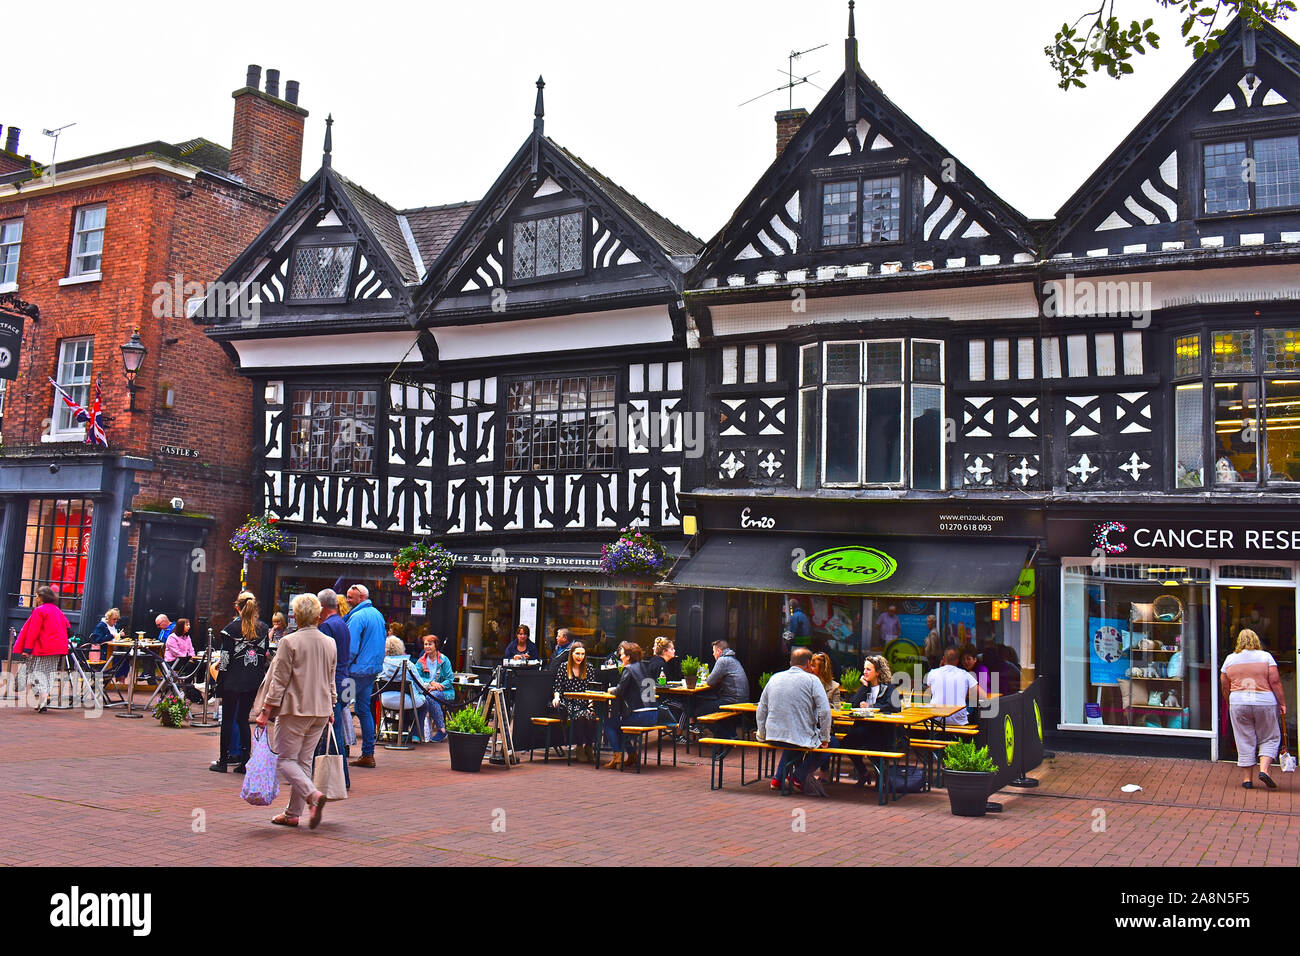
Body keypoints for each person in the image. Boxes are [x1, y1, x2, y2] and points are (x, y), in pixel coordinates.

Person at [253, 592, 337, 829]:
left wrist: (265, 710)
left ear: (296, 615)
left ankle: (312, 795)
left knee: (285, 760)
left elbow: (278, 680)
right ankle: (292, 813)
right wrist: (332, 705)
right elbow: (331, 679)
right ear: (318, 614)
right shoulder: (330, 643)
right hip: (321, 709)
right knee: (304, 761)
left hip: (294, 709)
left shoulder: (288, 642)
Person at [757, 647, 831, 796]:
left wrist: (762, 733)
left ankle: (778, 778)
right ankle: (799, 776)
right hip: (799, 738)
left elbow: (761, 708)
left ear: (790, 662)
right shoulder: (812, 680)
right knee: (832, 743)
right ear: (809, 663)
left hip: (773, 737)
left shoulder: (775, 678)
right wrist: (825, 737)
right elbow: (825, 711)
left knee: (790, 738)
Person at [210, 591, 270, 774]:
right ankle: (245, 761)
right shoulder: (263, 629)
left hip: (232, 681)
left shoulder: (230, 630)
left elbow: (225, 659)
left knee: (227, 720)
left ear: (237, 607)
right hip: (252, 680)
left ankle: (222, 761)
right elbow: (264, 655)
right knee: (243, 719)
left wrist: (220, 681)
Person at [1221, 628, 1287, 789]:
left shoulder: (1230, 660)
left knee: (1244, 738)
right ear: (1257, 640)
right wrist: (1283, 703)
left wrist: (1230, 702)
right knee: (1270, 736)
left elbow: (1224, 684)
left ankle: (1247, 779)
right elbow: (1276, 682)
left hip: (1239, 702)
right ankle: (1264, 770)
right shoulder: (1266, 657)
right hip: (1264, 701)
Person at [838, 655, 900, 787]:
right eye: (864, 669)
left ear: (877, 672)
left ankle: (881, 778)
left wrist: (871, 707)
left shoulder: (888, 688)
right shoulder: (865, 687)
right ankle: (863, 772)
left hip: (881, 730)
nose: (865, 672)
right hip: (863, 728)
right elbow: (852, 704)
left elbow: (895, 707)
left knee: (875, 745)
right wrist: (863, 687)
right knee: (846, 743)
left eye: (869, 669)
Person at [345, 583, 387, 769]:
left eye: (350, 597)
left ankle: (339, 751)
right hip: (371, 670)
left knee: (341, 708)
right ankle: (368, 753)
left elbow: (350, 648)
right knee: (363, 710)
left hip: (355, 671)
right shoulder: (377, 614)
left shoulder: (358, 617)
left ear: (361, 597)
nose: (347, 600)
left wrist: (344, 666)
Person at [314, 588, 352, 789]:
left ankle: (340, 778)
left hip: (334, 683)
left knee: (333, 731)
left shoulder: (327, 626)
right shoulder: (342, 623)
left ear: (321, 606)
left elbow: (324, 659)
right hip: (344, 679)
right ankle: (330, 776)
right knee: (333, 730)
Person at [13, 585, 71, 712]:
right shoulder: (57, 610)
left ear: (42, 597)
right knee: (49, 673)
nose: (36, 598)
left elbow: (33, 631)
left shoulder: (39, 610)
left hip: (43, 646)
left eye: (37, 595)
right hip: (57, 647)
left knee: (36, 673)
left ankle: (43, 696)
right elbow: (68, 627)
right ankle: (42, 700)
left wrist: (27, 649)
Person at [603, 641, 657, 769]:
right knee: (620, 724)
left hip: (640, 715)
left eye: (622, 654)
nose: (620, 657)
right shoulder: (644, 667)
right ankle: (632, 754)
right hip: (653, 714)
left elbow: (620, 691)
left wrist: (611, 689)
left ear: (628, 656)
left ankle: (618, 755)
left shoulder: (629, 669)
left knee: (610, 723)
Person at [552, 641, 598, 762]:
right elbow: (557, 687)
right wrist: (556, 697)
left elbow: (591, 690)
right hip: (569, 702)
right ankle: (579, 747)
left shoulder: (589, 668)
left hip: (585, 702)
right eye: (577, 653)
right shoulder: (563, 667)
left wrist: (591, 705)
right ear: (571, 654)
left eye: (582, 654)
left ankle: (588, 746)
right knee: (581, 716)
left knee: (591, 716)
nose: (580, 657)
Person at [412, 634, 455, 742]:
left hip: (444, 691)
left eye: (430, 644)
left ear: (435, 645)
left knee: (431, 697)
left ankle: (442, 730)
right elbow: (416, 677)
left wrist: (438, 686)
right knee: (422, 699)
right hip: (426, 690)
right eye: (425, 644)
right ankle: (418, 733)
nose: (427, 647)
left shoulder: (444, 660)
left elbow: (450, 679)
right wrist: (430, 682)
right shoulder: (420, 661)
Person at [926, 647, 978, 726]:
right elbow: (980, 694)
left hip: (935, 719)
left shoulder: (932, 673)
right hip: (958, 722)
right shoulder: (965, 674)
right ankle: (968, 738)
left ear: (943, 659)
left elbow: (929, 693)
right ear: (957, 661)